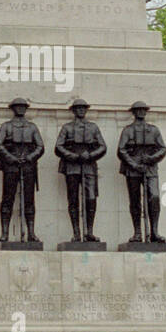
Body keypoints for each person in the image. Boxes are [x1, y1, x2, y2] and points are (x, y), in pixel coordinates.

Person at [53, 97, 106, 242]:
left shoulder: (93, 127)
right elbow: (58, 147)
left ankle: (89, 232)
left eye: (83, 108)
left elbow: (102, 146)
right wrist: (73, 156)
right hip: (72, 166)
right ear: (74, 111)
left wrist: (90, 155)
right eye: (78, 108)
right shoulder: (67, 128)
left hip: (89, 165)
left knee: (90, 198)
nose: (81, 110)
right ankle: (76, 233)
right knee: (73, 199)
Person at [0, 97, 43, 243]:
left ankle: (31, 233)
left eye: (23, 107)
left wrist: (30, 157)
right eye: (18, 106)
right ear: (13, 108)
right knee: (7, 199)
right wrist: (11, 157)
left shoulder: (32, 127)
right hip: (10, 165)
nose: (21, 109)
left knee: (29, 200)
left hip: (28, 166)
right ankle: (4, 233)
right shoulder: (6, 126)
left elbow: (40, 146)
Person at [117, 100, 166, 243]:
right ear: (133, 112)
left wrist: (151, 158)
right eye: (138, 110)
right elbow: (121, 150)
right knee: (135, 200)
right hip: (132, 168)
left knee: (154, 197)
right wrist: (134, 164)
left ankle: (154, 232)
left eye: (143, 110)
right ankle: (137, 232)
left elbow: (162, 149)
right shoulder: (128, 130)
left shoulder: (154, 130)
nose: (141, 112)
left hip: (150, 168)